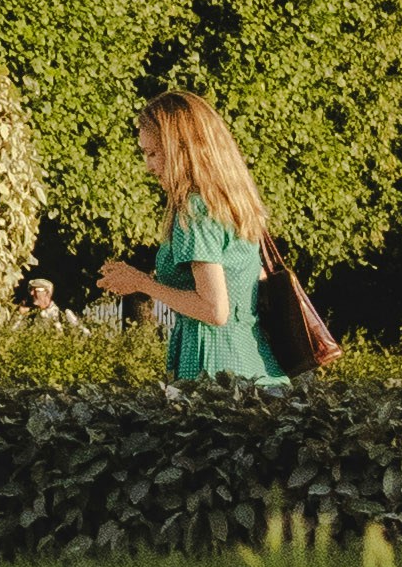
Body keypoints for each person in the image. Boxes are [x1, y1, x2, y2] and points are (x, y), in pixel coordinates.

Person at [93, 82, 275, 381]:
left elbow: (214, 310)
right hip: (254, 362)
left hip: (213, 366)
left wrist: (142, 283)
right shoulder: (229, 202)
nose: (148, 166)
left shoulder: (194, 211)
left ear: (181, 149)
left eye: (152, 153)